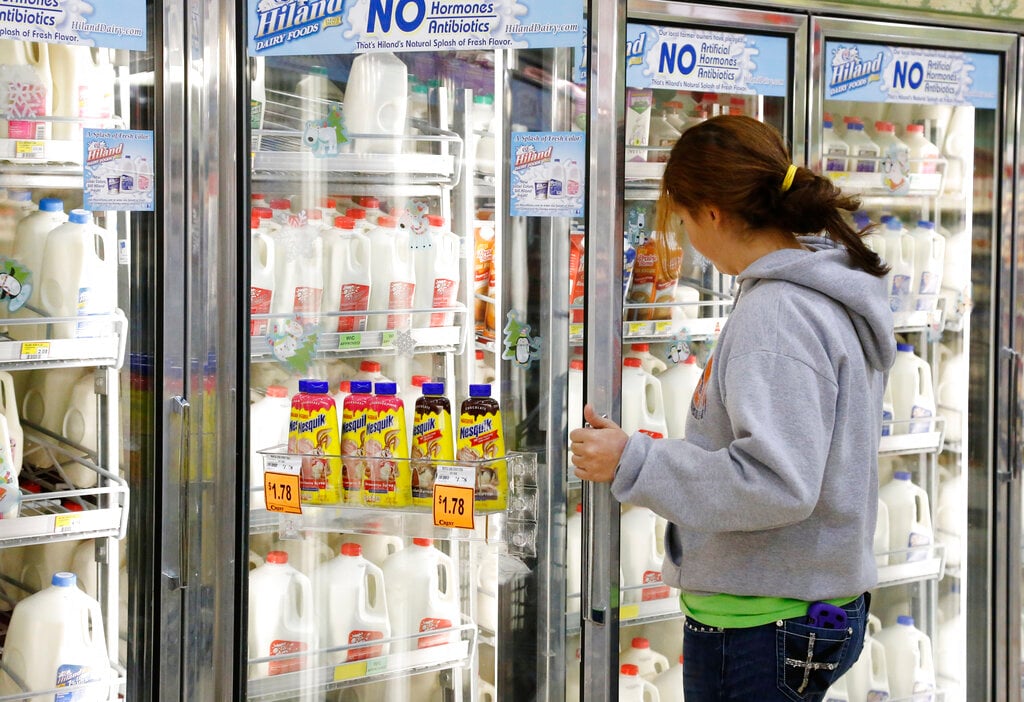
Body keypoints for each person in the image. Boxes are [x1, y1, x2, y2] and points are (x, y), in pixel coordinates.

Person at [569, 115, 895, 701]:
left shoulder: (779, 314)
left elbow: (776, 481)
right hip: (798, 599)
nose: (690, 237)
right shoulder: (820, 287)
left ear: (713, 213)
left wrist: (631, 461)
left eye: (687, 220)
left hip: (761, 619)